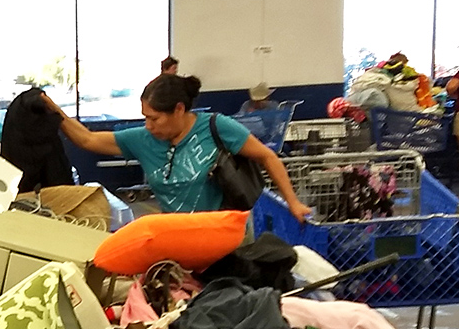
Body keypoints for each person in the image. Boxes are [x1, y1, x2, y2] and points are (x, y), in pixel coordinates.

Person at [42, 73, 311, 221]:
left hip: (226, 235)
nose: (148, 125)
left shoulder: (216, 127)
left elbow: (267, 156)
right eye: (145, 117)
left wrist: (294, 203)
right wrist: (54, 112)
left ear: (179, 109)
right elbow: (88, 139)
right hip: (180, 237)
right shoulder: (143, 139)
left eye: (154, 118)